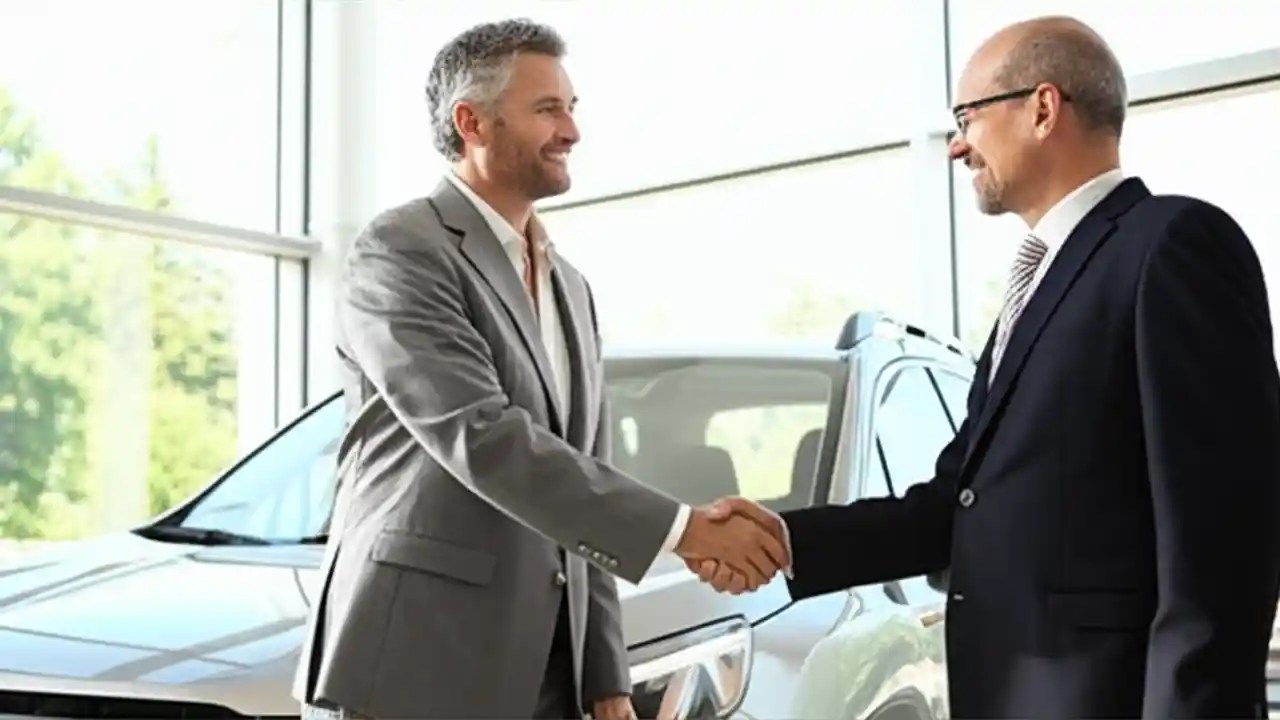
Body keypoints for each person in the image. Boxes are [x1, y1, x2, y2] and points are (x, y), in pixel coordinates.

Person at [697, 15, 1280, 719]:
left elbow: (1222, 542)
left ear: (1042, 108)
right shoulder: (1033, 289)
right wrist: (788, 539)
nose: (956, 145)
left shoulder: (1173, 245)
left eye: (966, 115)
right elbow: (956, 506)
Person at [291, 19, 789, 720]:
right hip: (419, 661)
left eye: (572, 108)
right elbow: (482, 435)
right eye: (548, 108)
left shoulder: (570, 286)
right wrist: (686, 530)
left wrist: (604, 672)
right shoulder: (402, 250)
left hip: (547, 674)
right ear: (473, 122)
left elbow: (584, 466)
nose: (572, 131)